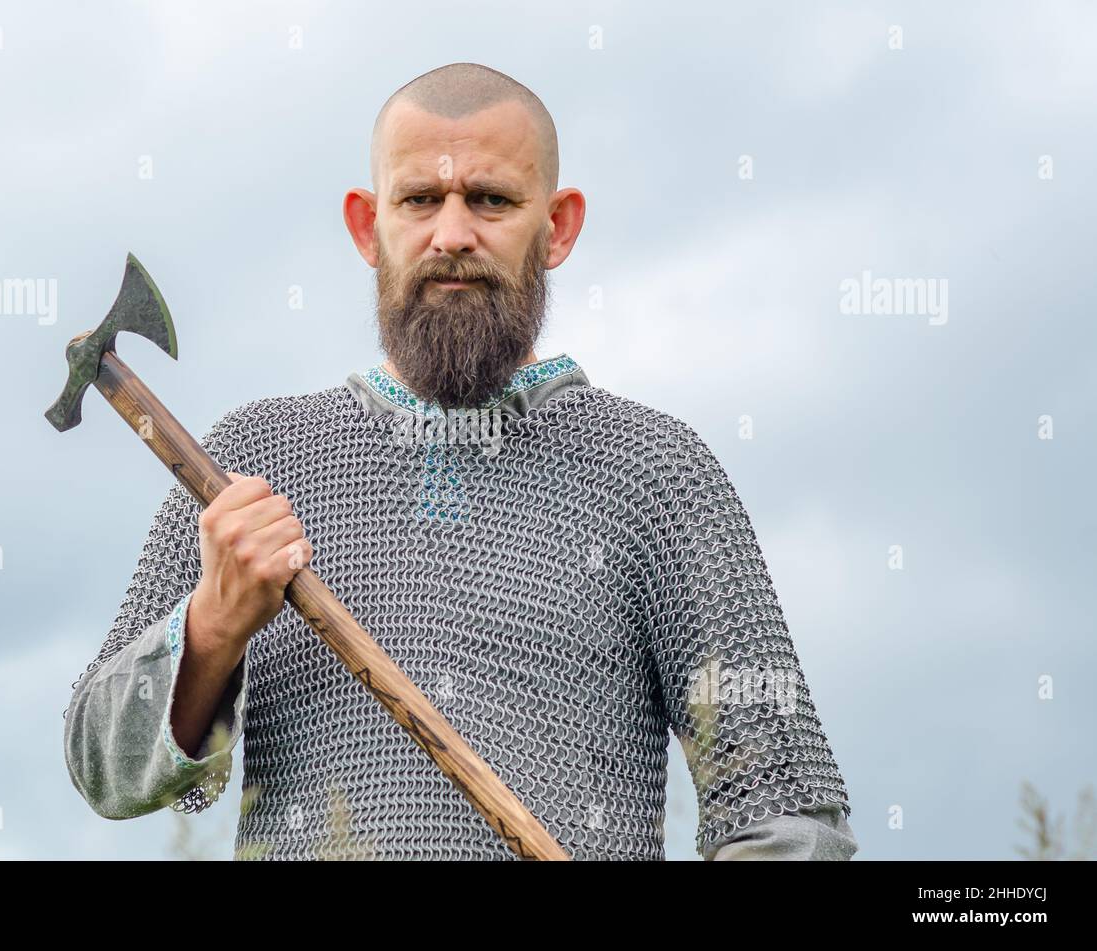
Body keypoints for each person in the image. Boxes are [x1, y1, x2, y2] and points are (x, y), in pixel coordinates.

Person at [63, 62, 858, 861]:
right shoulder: (252, 463)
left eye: (490, 199)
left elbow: (788, 814)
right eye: (419, 200)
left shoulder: (655, 475)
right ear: (367, 226)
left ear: (559, 225)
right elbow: (102, 768)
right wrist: (212, 624)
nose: (452, 235)